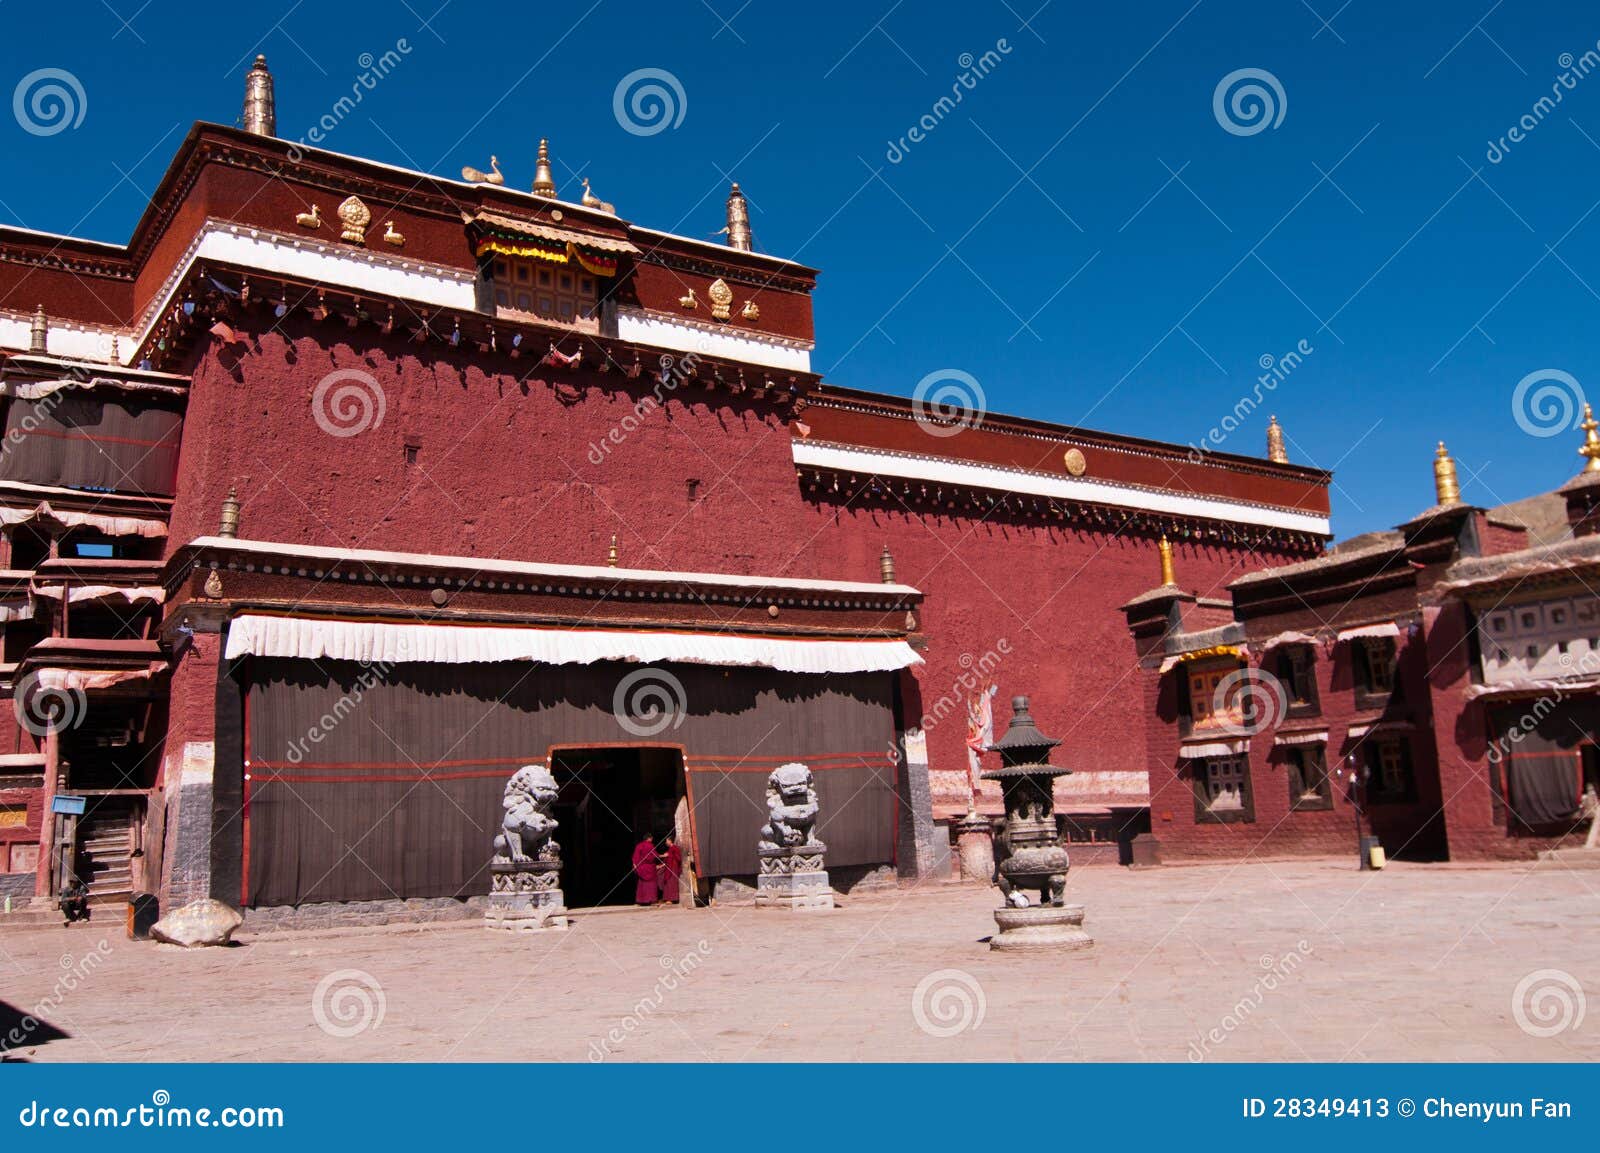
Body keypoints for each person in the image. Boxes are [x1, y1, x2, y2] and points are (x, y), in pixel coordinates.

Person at [631, 833, 659, 905]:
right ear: (649, 838)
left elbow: (635, 856)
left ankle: (641, 900)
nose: (652, 840)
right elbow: (654, 856)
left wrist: (635, 865)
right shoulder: (650, 845)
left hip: (641, 867)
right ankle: (651, 900)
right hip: (649, 867)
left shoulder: (639, 846)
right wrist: (661, 856)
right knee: (651, 884)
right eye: (651, 838)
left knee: (642, 884)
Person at [659, 832, 682, 905]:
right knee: (668, 883)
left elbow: (678, 858)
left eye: (666, 841)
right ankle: (668, 898)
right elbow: (667, 859)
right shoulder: (670, 849)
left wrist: (669, 856)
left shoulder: (674, 848)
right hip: (669, 867)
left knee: (671, 883)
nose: (666, 842)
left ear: (670, 841)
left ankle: (672, 899)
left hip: (673, 868)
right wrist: (662, 865)